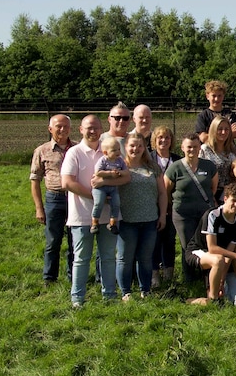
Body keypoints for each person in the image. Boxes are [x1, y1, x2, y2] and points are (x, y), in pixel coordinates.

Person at [60, 115, 127, 308]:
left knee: (108, 257)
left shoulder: (111, 151)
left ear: (101, 129)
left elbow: (125, 177)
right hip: (81, 216)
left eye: (96, 128)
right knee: (81, 258)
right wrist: (95, 195)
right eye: (89, 128)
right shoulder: (74, 153)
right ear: (80, 129)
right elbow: (67, 182)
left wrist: (105, 184)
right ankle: (78, 298)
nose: (93, 131)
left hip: (109, 217)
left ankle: (109, 295)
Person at [116, 135, 167, 301]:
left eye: (139, 146)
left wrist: (162, 215)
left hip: (150, 220)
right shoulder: (119, 166)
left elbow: (162, 193)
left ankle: (145, 289)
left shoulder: (152, 167)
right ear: (125, 147)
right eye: (132, 146)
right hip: (126, 221)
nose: (135, 149)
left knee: (145, 258)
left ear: (144, 147)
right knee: (125, 258)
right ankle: (126, 291)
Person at [166, 133, 219, 282]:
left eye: (195, 147)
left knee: (204, 244)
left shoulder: (208, 166)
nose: (192, 150)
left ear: (199, 148)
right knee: (187, 245)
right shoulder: (175, 167)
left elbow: (213, 188)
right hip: (182, 214)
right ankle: (189, 278)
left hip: (204, 213)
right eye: (189, 147)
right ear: (182, 148)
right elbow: (166, 190)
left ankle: (206, 276)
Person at [30, 113, 74, 286]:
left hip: (74, 198)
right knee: (53, 241)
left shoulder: (77, 148)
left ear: (70, 128)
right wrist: (39, 208)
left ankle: (74, 276)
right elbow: (35, 180)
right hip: (54, 199)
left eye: (65, 126)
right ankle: (50, 277)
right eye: (58, 126)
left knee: (74, 240)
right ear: (50, 129)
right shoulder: (42, 151)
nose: (62, 129)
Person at [90, 136, 126, 234]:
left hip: (113, 188)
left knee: (116, 203)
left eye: (119, 149)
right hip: (100, 188)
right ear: (106, 152)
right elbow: (97, 172)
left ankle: (112, 223)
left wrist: (120, 173)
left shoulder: (120, 161)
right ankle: (94, 222)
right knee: (99, 202)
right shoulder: (103, 160)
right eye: (114, 150)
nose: (118, 152)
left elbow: (126, 172)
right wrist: (110, 173)